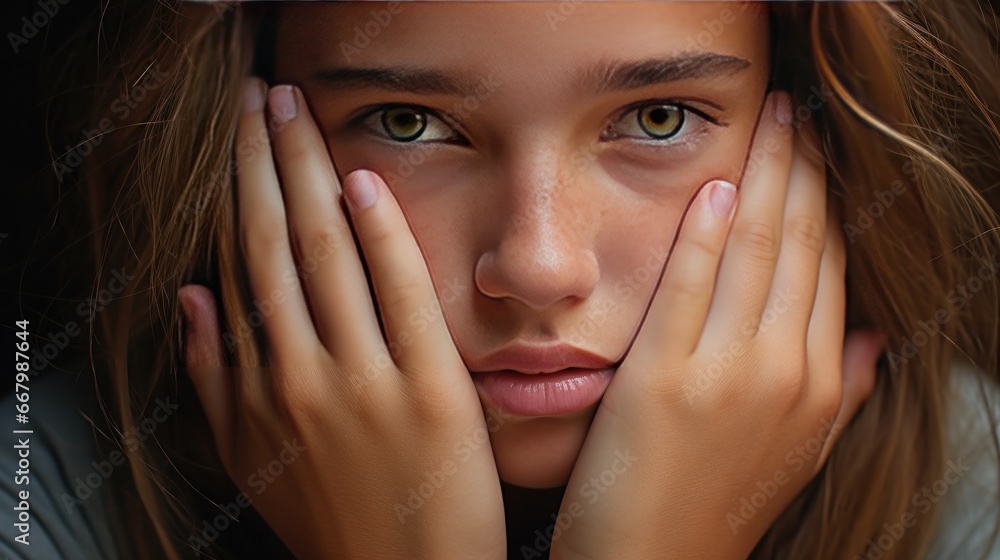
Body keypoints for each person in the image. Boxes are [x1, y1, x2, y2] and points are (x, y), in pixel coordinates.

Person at [3, 1, 999, 559]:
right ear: (241, 142)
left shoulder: (973, 493)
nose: (537, 265)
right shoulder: (42, 486)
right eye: (407, 124)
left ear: (813, 139)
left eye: (657, 118)